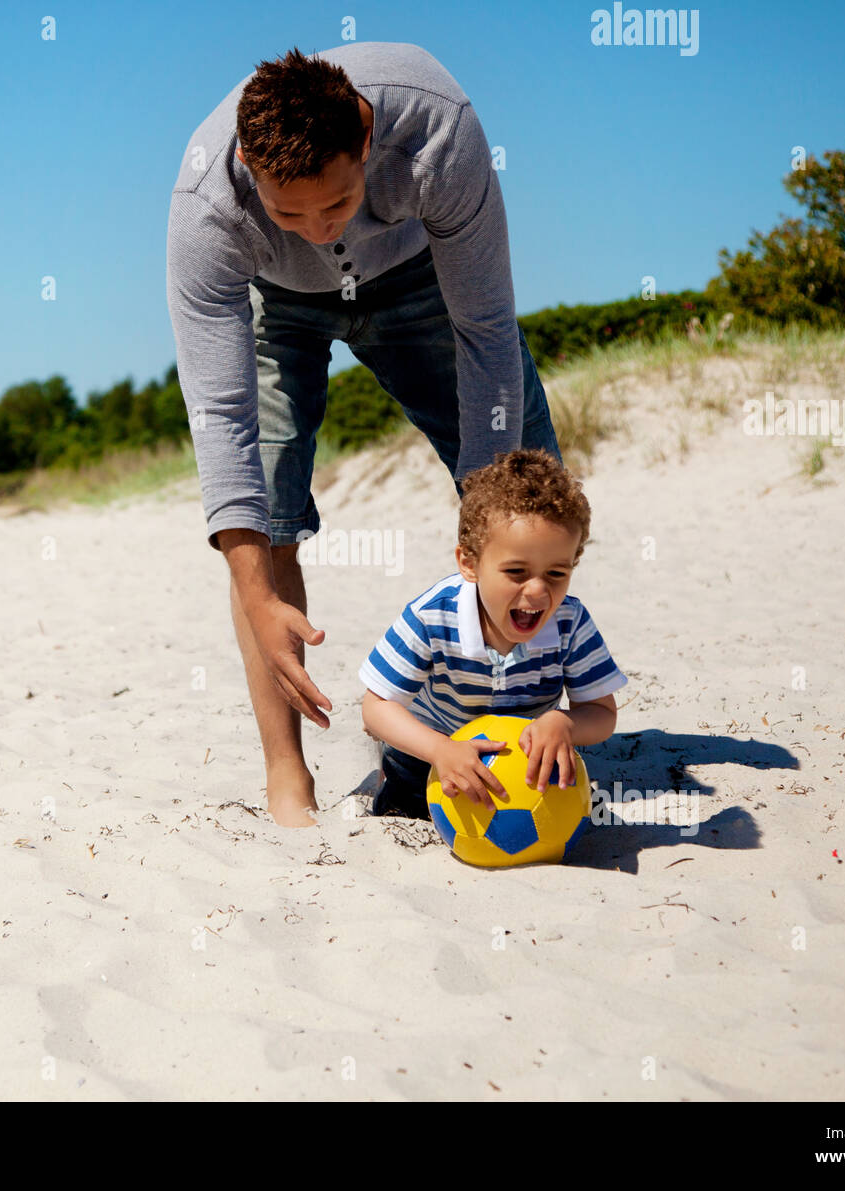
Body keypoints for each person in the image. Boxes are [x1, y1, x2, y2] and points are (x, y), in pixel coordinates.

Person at [166, 43, 562, 827]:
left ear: (365, 134)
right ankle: (288, 777)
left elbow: (485, 332)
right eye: (288, 212)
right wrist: (256, 593)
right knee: (267, 527)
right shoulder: (207, 206)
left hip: (420, 278)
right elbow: (222, 419)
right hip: (278, 303)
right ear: (248, 165)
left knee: (530, 490)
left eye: (337, 204)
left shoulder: (437, 128)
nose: (316, 229)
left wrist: (491, 524)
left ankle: (517, 727)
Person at [359, 449, 626, 819]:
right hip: (427, 756)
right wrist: (440, 749)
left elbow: (601, 714)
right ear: (470, 564)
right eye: (516, 571)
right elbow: (376, 707)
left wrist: (562, 721)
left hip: (523, 759)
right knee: (406, 805)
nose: (537, 591)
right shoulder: (432, 615)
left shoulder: (570, 622)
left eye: (555, 574)